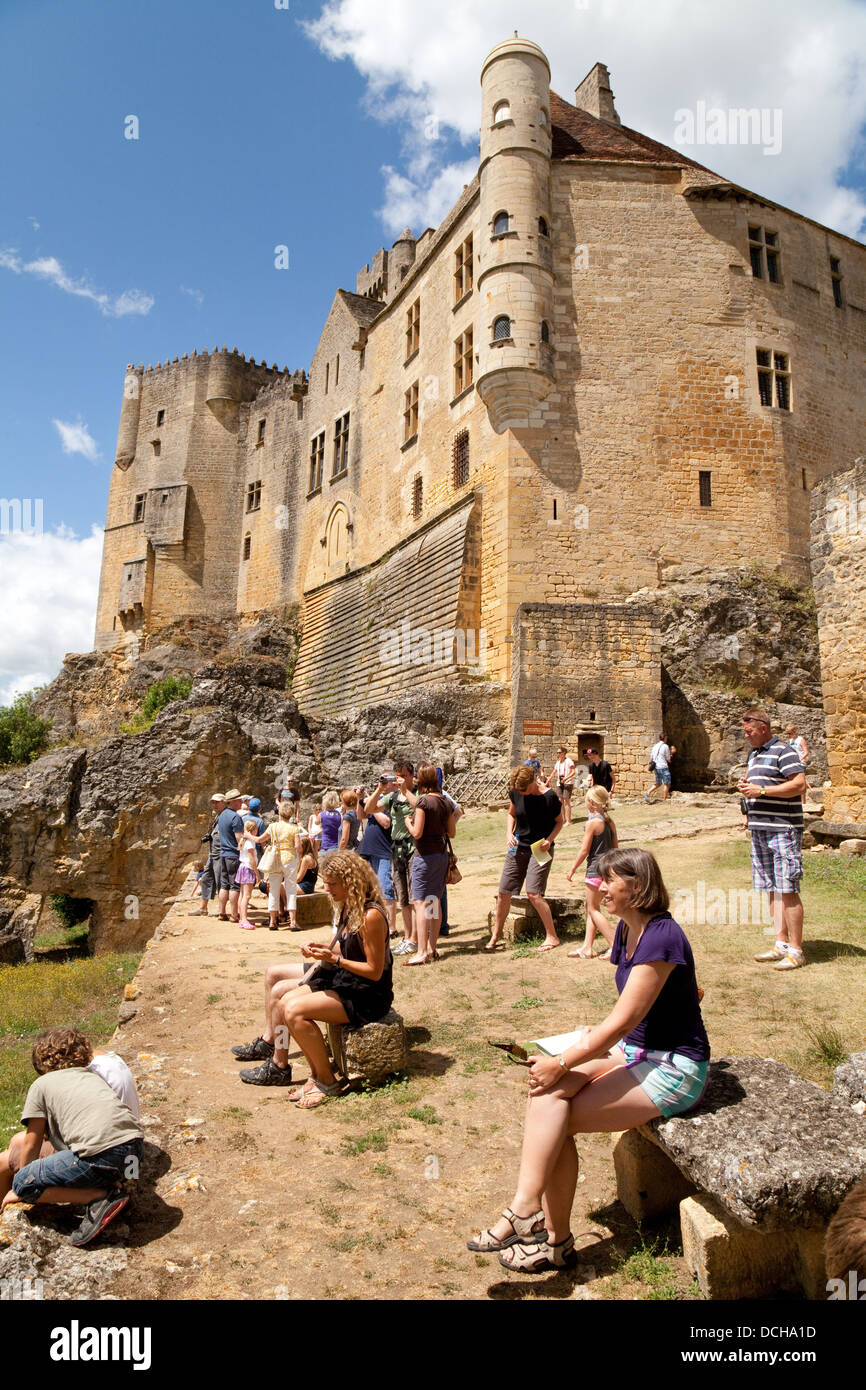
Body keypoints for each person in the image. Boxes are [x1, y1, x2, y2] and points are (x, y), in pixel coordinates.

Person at [468, 848, 709, 1273]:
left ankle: (541, 1227)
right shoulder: (625, 932)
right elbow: (642, 1009)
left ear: (637, 887)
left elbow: (622, 1020)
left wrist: (564, 1061)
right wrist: (577, 1052)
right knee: (546, 1095)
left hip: (673, 1065)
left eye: (608, 880)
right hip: (635, 1052)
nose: (598, 886)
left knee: (556, 1113)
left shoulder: (661, 934)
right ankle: (535, 1220)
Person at [245, 852, 393, 1107]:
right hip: (349, 982)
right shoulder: (351, 908)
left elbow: (374, 971)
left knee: (292, 1009)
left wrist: (334, 960)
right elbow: (349, 949)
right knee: (284, 1001)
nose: (327, 889)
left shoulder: (371, 916)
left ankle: (327, 1081)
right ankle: (314, 1073)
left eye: (333, 884)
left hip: (366, 995)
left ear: (351, 882)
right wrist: (323, 949)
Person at [1, 1027, 144, 1248]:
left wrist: (23, 1183)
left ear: (42, 1062)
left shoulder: (41, 1085)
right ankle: (126, 1191)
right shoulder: (91, 1076)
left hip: (102, 1155)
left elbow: (32, 1139)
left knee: (23, 1183)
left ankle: (99, 1198)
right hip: (135, 1151)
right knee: (117, 1165)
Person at [738, 708, 807, 971]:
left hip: (783, 829)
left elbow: (799, 784)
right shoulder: (754, 755)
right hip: (760, 829)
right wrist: (748, 787)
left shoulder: (784, 751)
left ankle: (797, 950)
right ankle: (781, 944)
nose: (746, 736)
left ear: (763, 727)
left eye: (749, 731)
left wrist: (762, 789)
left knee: (788, 889)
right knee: (771, 887)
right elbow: (761, 785)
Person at [484, 766, 564, 953]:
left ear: (533, 781)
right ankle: (496, 935)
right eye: (519, 791)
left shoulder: (549, 797)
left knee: (534, 893)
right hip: (517, 846)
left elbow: (559, 822)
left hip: (541, 848)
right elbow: (511, 814)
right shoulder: (516, 792)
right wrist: (508, 833)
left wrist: (549, 840)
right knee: (504, 892)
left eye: (524, 790)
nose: (522, 793)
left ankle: (552, 936)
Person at [405, 763, 458, 965]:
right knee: (434, 901)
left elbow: (417, 832)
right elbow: (452, 832)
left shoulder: (423, 803)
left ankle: (420, 951)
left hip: (424, 856)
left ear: (421, 780)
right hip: (441, 855)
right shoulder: (446, 802)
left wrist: (408, 823)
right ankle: (432, 948)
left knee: (420, 903)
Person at [368, 762, 417, 955]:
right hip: (396, 850)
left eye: (403, 775)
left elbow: (420, 806)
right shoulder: (392, 796)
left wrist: (406, 789)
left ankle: (416, 938)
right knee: (402, 896)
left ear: (412, 776)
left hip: (413, 849)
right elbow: (370, 808)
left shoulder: (418, 794)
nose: (399, 779)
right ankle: (408, 937)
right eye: (397, 776)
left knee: (415, 897)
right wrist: (379, 789)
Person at [565, 787, 618, 958]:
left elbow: (584, 850)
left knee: (594, 909)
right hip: (608, 869)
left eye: (588, 800)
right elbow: (616, 848)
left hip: (594, 870)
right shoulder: (610, 821)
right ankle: (587, 947)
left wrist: (572, 869)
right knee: (591, 908)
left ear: (593, 803)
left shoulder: (592, 823)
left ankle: (614, 945)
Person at [253, 800, 302, 931]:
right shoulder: (294, 828)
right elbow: (298, 847)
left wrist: (247, 835)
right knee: (291, 889)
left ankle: (273, 921)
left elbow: (259, 840)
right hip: (289, 858)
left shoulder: (273, 827)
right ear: (291, 813)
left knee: (273, 889)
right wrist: (299, 855)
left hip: (275, 859)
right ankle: (293, 921)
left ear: (280, 813)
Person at [359, 785, 396, 932]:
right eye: (377, 785)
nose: (380, 787)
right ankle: (381, 925)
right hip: (369, 851)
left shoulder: (392, 801)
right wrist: (360, 800)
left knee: (386, 890)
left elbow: (386, 823)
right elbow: (360, 816)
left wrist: (371, 807)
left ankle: (391, 928)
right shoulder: (377, 802)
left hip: (383, 852)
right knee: (374, 891)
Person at [192, 792, 224, 915]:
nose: (214, 805)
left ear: (223, 802)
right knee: (206, 878)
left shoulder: (225, 816)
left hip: (220, 853)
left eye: (217, 802)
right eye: (213, 802)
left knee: (221, 881)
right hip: (213, 852)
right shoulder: (218, 816)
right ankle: (203, 908)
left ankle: (222, 910)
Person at [217, 789, 245, 921]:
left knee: (224, 885)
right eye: (239, 800)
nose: (241, 802)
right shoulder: (235, 817)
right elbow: (239, 838)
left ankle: (221, 912)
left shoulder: (222, 815)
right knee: (235, 886)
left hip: (223, 854)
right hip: (233, 855)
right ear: (233, 802)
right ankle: (234, 915)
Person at [235, 819, 261, 929]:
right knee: (247, 895)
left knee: (242, 894)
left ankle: (242, 918)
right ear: (254, 830)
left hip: (242, 867)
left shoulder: (244, 840)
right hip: (248, 869)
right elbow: (252, 860)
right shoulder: (250, 842)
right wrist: (257, 874)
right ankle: (244, 919)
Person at [785, 723, 810, 805]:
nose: (789, 735)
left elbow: (806, 752)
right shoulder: (791, 741)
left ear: (794, 732)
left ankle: (803, 803)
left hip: (800, 763)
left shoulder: (801, 740)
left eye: (790, 733)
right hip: (793, 763)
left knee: (801, 783)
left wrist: (800, 759)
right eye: (788, 734)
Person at [644, 735, 672, 802]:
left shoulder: (655, 746)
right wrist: (671, 757)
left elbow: (652, 758)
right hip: (663, 767)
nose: (667, 739)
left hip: (657, 767)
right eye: (666, 738)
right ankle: (665, 799)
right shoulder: (665, 746)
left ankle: (647, 792)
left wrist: (650, 767)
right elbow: (668, 759)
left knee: (658, 783)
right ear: (664, 738)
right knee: (667, 783)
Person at [553, 747, 576, 825]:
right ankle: (563, 820)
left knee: (566, 801)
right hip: (559, 783)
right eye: (557, 752)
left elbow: (573, 772)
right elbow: (554, 772)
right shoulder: (558, 763)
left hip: (568, 783)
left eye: (559, 752)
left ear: (564, 753)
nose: (558, 754)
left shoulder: (569, 761)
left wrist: (566, 778)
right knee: (560, 801)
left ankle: (569, 821)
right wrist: (547, 781)